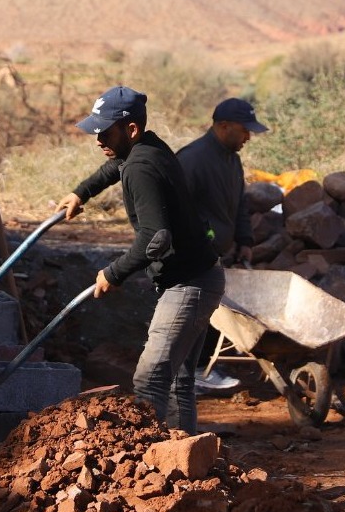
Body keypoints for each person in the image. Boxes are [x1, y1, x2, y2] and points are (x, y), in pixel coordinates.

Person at [55, 85, 223, 434]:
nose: (98, 138)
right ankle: (186, 464)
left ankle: (150, 468)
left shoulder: (141, 167)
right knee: (177, 382)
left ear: (130, 129)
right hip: (200, 275)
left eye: (105, 131)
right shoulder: (147, 148)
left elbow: (155, 237)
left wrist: (114, 273)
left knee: (150, 381)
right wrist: (81, 192)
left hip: (187, 285)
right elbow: (115, 165)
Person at [176, 97, 268, 393]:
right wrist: (198, 243)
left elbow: (238, 203)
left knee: (207, 313)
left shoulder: (232, 159)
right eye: (244, 130)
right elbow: (173, 209)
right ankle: (191, 375)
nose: (248, 137)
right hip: (190, 257)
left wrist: (244, 240)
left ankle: (200, 369)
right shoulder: (192, 160)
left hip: (214, 254)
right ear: (223, 126)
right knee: (189, 315)